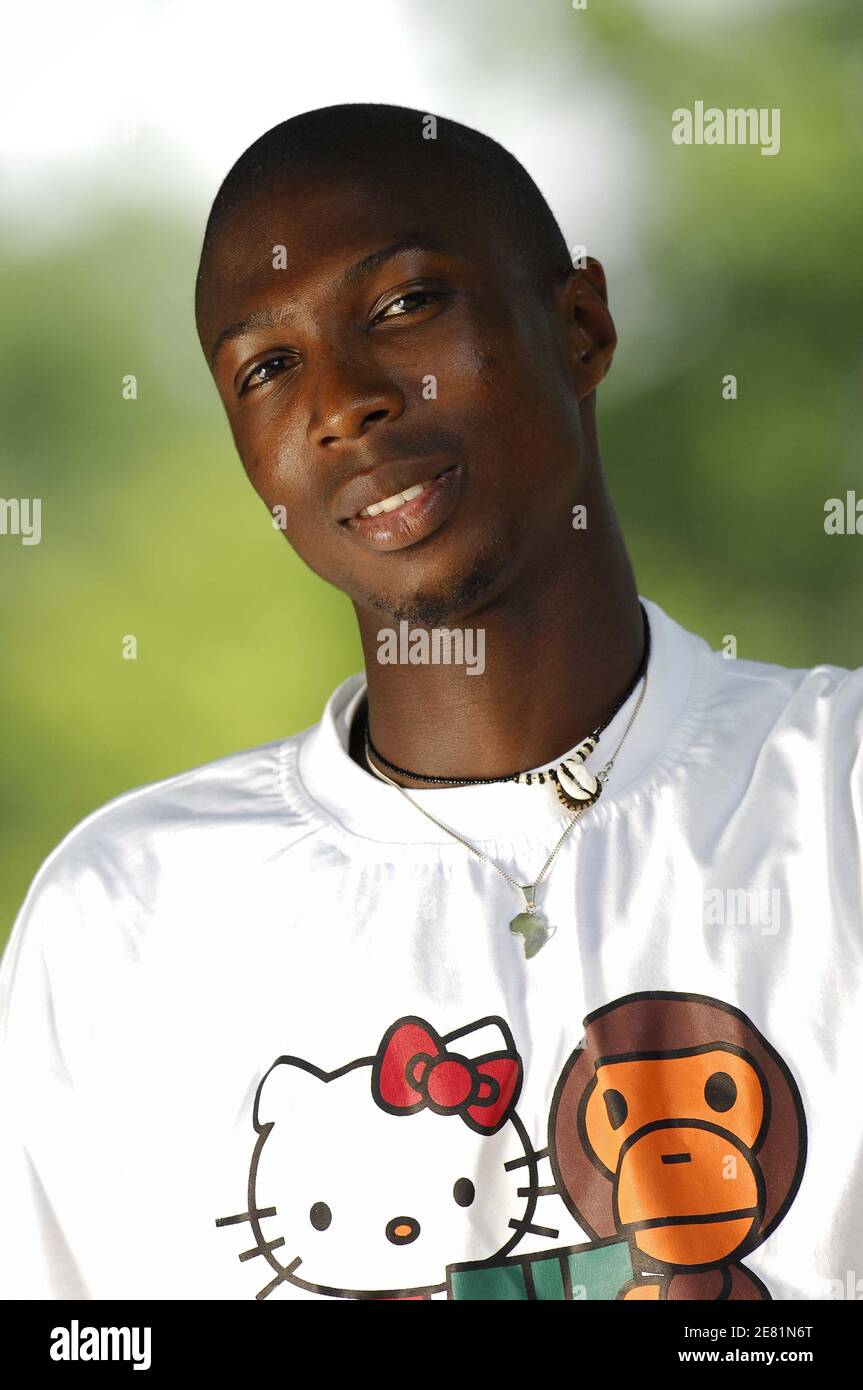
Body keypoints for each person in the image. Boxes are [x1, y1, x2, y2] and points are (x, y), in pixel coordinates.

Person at [1, 102, 860, 1303]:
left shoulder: (837, 796)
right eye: (266, 367)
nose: (340, 402)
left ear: (580, 325)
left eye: (404, 306)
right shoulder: (126, 919)